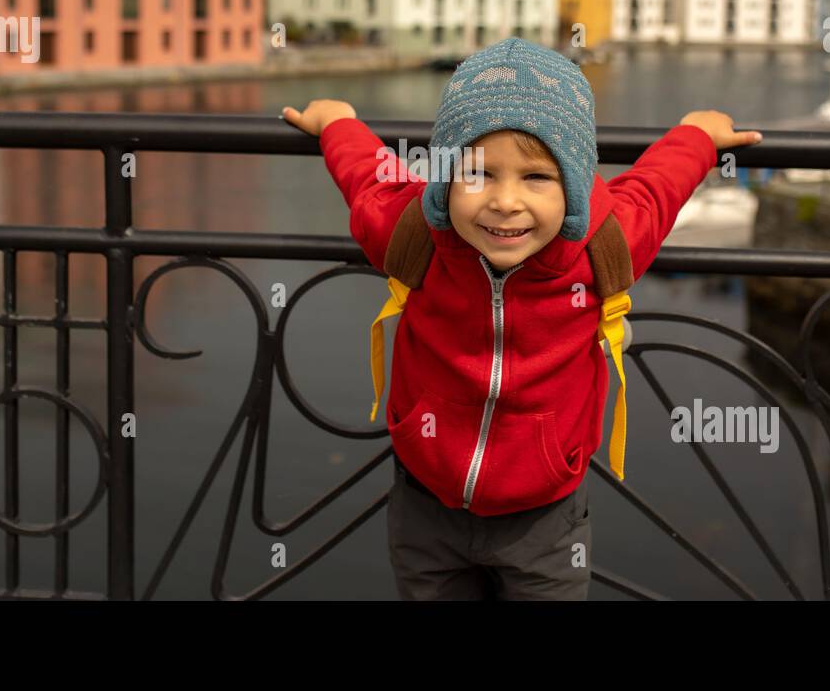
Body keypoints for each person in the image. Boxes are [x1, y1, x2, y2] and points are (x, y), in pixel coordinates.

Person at [281, 37, 761, 600]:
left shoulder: (603, 246)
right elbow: (369, 178)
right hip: (425, 504)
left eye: (536, 178)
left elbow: (657, 187)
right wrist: (337, 123)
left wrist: (697, 136)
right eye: (478, 173)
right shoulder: (415, 233)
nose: (505, 202)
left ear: (575, 187)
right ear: (445, 180)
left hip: (545, 518)